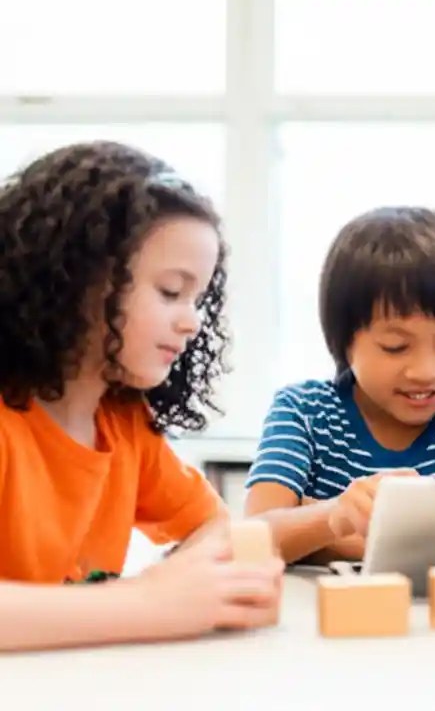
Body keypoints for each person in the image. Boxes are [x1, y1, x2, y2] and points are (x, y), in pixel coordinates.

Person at [0, 141, 282, 650]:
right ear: (77, 278)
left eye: (199, 298)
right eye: (172, 291)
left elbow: (215, 525)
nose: (193, 320)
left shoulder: (124, 423)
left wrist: (197, 585)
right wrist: (149, 602)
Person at [244, 207, 435, 564]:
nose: (425, 371)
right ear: (345, 341)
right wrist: (336, 513)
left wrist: (310, 526)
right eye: (396, 347)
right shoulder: (303, 411)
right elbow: (254, 537)